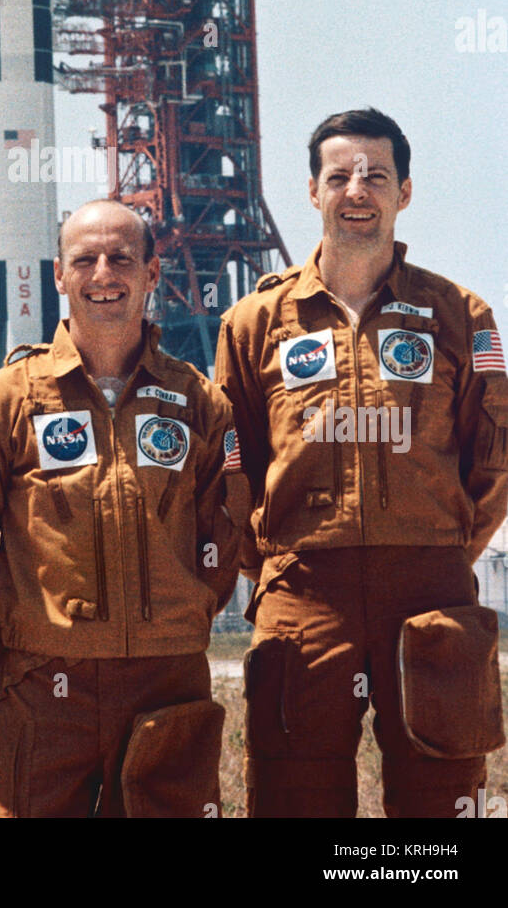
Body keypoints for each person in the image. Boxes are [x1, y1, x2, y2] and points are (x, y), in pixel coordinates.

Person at [214, 108, 507, 818]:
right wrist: (274, 564)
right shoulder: (253, 323)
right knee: (292, 795)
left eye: (375, 176)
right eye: (338, 175)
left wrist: (442, 547)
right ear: (311, 191)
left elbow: (494, 454)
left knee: (441, 799)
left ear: (403, 192)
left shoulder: (458, 314)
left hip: (429, 589)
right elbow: (230, 462)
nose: (356, 190)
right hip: (303, 593)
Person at [0, 198, 241, 818]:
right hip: (48, 692)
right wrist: (30, 639)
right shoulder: (1, 404)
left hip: (168, 687)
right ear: (58, 275)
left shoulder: (198, 403)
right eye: (85, 259)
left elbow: (222, 540)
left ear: (153, 272)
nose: (104, 274)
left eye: (122, 258)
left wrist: (171, 625)